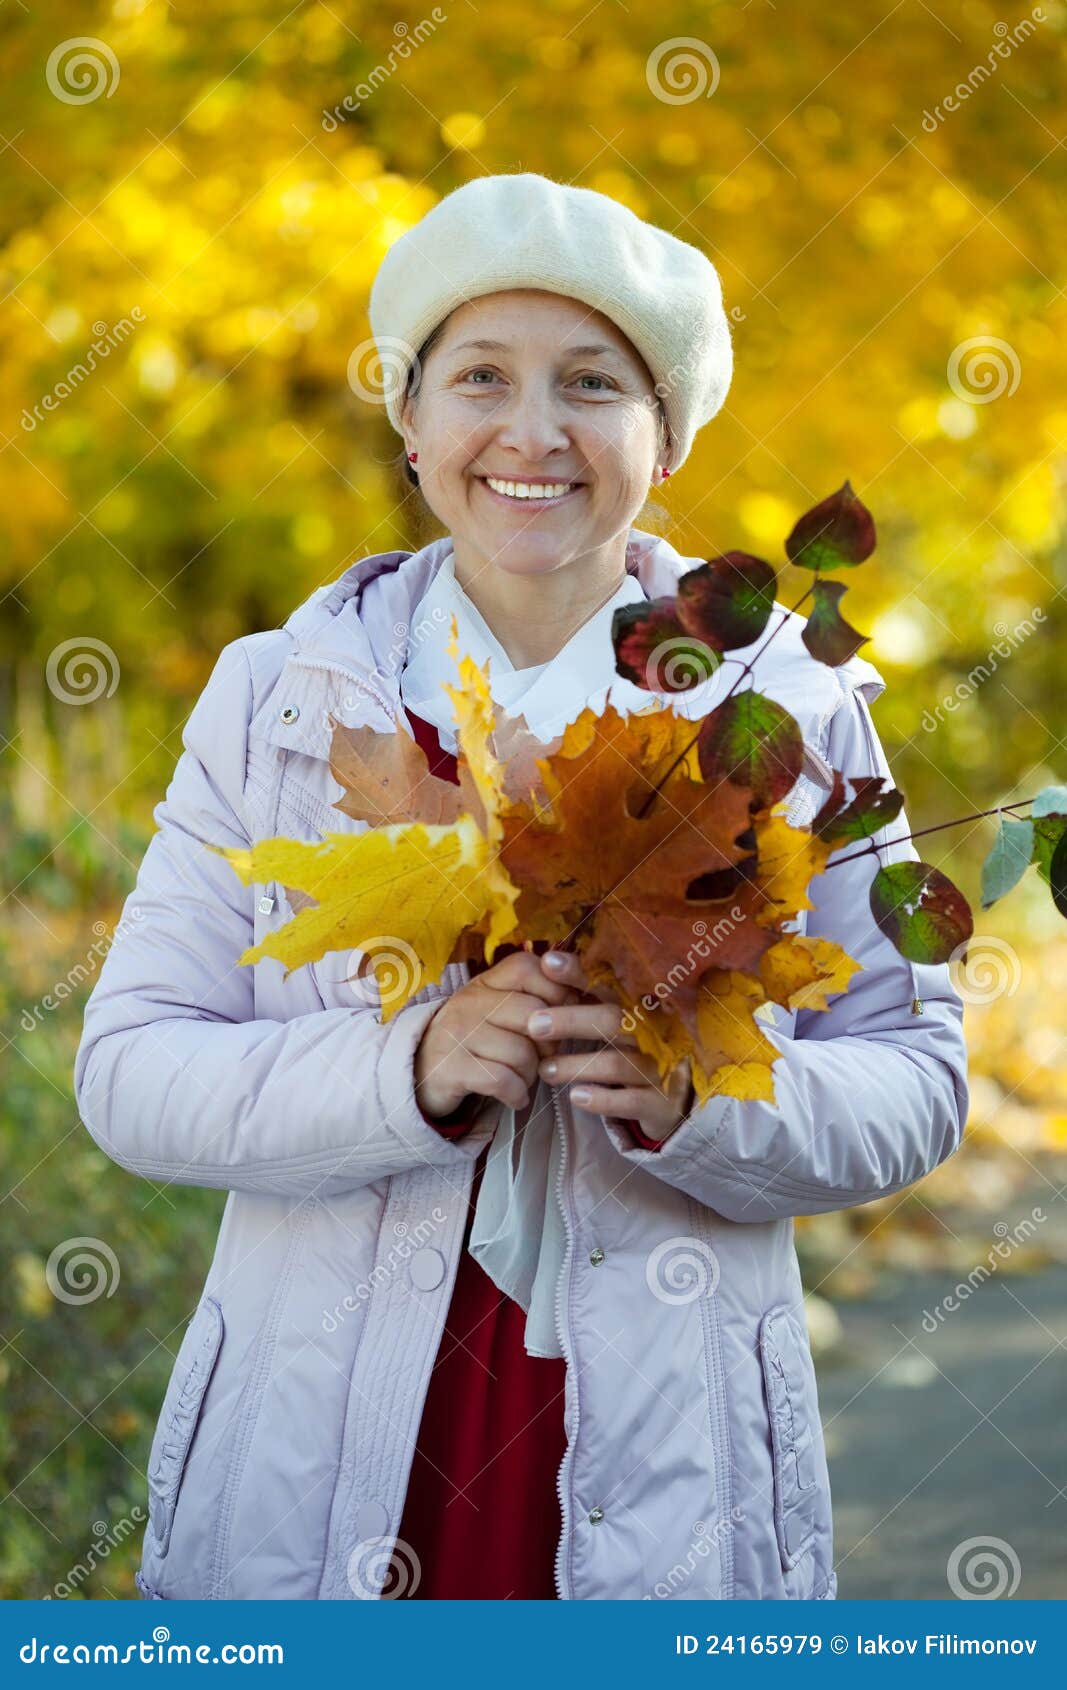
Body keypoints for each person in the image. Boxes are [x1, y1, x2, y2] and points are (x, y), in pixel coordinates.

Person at [73, 171, 969, 1602]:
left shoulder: (780, 711)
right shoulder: (278, 703)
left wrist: (705, 1097)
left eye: (594, 383)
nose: (533, 429)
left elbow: (916, 1076)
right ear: (413, 424)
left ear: (663, 440)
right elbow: (130, 1070)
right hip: (309, 1481)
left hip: (670, 1475)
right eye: (480, 375)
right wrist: (405, 1068)